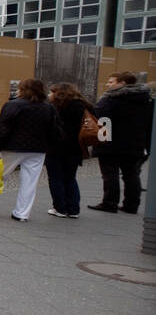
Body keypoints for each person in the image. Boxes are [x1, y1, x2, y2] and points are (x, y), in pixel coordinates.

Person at [0, 78, 60, 221]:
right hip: (37, 150)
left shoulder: (12, 105)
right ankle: (21, 214)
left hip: (12, 148)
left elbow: (3, 128)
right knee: (29, 183)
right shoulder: (48, 108)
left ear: (22, 89)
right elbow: (54, 131)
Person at [88, 71, 154, 214]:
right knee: (131, 174)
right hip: (135, 143)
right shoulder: (146, 100)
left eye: (111, 82)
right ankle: (131, 205)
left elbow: (101, 120)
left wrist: (100, 141)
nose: (108, 84)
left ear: (122, 83)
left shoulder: (110, 99)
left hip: (110, 143)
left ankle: (110, 203)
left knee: (110, 173)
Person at [45, 83, 92, 219]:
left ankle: (59, 208)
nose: (49, 95)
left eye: (51, 92)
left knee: (56, 178)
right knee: (70, 178)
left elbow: (52, 128)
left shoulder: (57, 107)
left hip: (57, 148)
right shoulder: (84, 105)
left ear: (59, 94)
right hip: (76, 149)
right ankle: (73, 209)